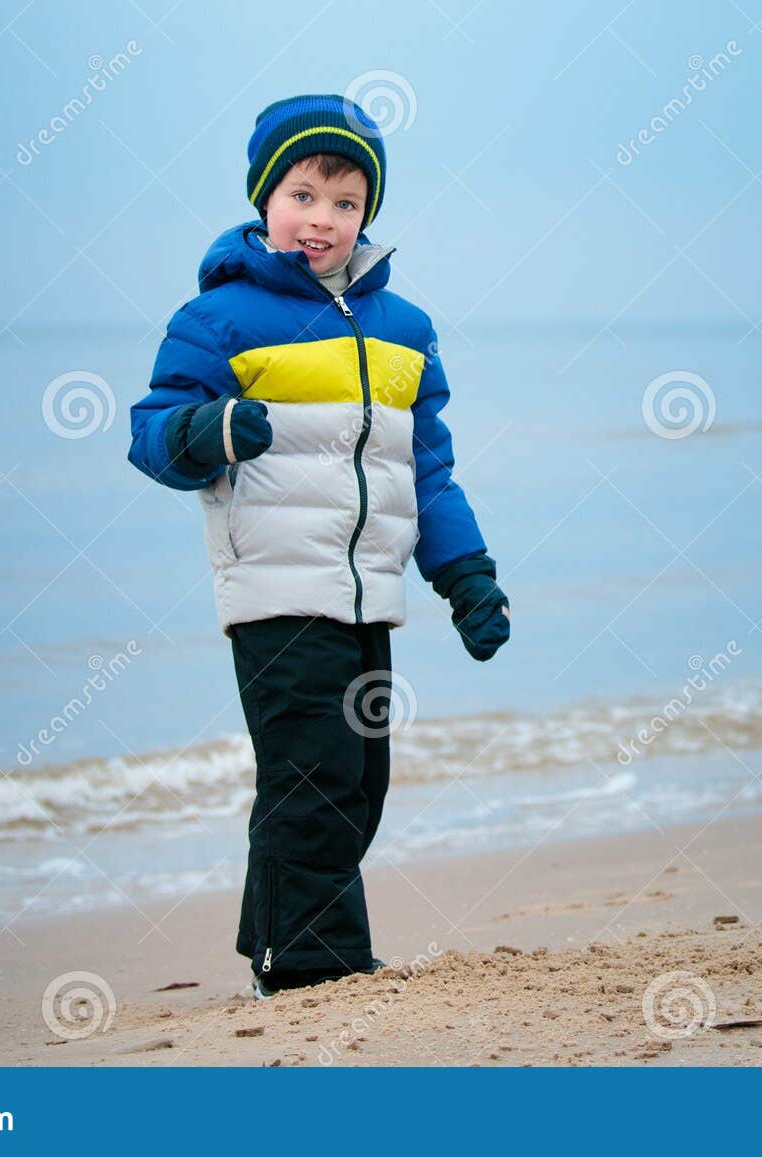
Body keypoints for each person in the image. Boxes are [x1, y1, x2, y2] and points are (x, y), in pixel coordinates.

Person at [126, 94, 510, 998]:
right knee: (315, 775)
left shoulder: (405, 331)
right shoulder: (218, 319)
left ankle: (275, 941)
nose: (323, 219)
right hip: (272, 590)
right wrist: (211, 428)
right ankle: (311, 968)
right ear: (266, 199)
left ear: (366, 215)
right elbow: (150, 434)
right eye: (303, 194)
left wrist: (468, 576)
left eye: (345, 203)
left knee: (360, 778)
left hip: (367, 593)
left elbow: (429, 475)